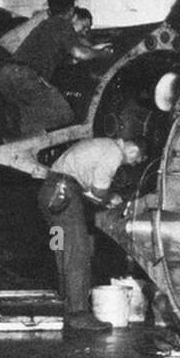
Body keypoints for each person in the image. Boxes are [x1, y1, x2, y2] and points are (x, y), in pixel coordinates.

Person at [37, 137, 143, 332]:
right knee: (78, 252)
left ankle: (65, 303)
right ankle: (78, 313)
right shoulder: (114, 152)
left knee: (61, 249)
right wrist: (113, 198)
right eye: (138, 158)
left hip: (50, 194)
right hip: (64, 195)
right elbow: (98, 190)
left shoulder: (102, 144)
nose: (134, 163)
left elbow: (89, 191)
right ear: (133, 148)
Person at [0, 0, 111, 136]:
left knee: (32, 115)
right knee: (64, 113)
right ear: (71, 11)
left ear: (50, 10)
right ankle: (19, 124)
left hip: (6, 74)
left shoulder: (46, 25)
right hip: (24, 76)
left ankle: (15, 133)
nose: (84, 32)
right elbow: (79, 53)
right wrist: (103, 53)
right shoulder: (62, 24)